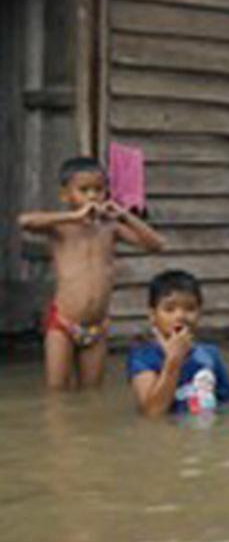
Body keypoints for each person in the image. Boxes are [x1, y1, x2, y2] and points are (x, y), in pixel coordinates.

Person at [18, 157, 166, 390]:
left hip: (97, 326)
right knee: (57, 392)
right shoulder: (60, 227)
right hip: (63, 324)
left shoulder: (110, 227)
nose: (92, 196)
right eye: (84, 190)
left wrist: (124, 215)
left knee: (91, 392)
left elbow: (156, 244)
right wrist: (73, 216)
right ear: (65, 195)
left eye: (98, 189)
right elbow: (24, 221)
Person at [127, 270, 229, 417]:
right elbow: (152, 413)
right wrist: (173, 361)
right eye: (169, 309)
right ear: (153, 316)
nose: (181, 316)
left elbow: (228, 403)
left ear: (200, 313)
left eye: (190, 308)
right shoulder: (143, 357)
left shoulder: (210, 354)